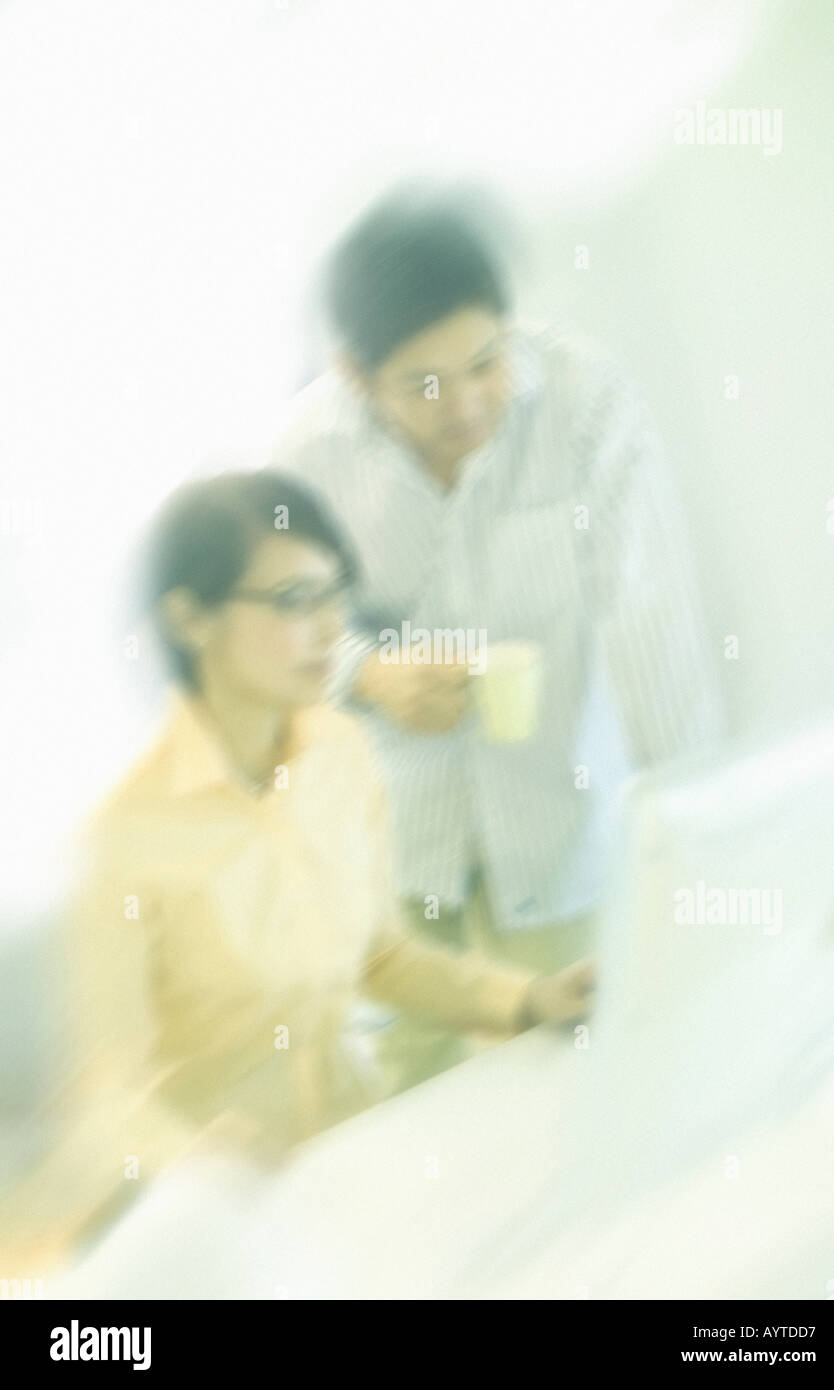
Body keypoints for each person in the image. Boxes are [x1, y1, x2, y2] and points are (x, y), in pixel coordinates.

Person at [0, 470, 593, 1275]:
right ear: (189, 618)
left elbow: (381, 956)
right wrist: (195, 1164)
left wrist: (524, 998)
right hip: (220, 1228)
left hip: (355, 1163)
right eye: (292, 601)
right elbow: (111, 1097)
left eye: (336, 595)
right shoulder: (126, 837)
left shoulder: (340, 754)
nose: (329, 628)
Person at [269, 183, 723, 1093]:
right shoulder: (305, 456)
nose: (468, 402)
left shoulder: (585, 407)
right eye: (425, 385)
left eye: (485, 362)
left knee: (585, 1082)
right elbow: (282, 629)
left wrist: (703, 832)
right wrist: (368, 673)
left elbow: (652, 624)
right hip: (398, 849)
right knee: (405, 1094)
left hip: (553, 826)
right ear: (356, 374)